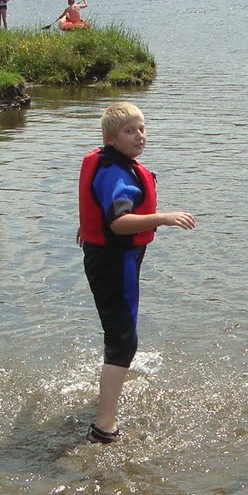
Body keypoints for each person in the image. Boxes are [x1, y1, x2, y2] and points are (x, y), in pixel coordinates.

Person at [78, 102, 195, 442]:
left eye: (142, 128)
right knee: (123, 341)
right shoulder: (115, 172)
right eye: (130, 131)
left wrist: (86, 225)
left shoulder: (109, 163)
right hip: (114, 263)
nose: (139, 136)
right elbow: (118, 221)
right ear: (110, 138)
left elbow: (100, 211)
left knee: (120, 335)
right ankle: (104, 426)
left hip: (110, 259)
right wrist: (164, 217)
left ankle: (108, 396)